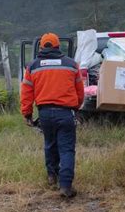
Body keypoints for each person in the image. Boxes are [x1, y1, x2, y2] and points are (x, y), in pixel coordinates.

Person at [21, 32, 84, 198]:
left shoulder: (33, 66)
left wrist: (27, 113)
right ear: (58, 46)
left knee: (50, 144)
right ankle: (65, 186)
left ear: (41, 47)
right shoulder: (71, 65)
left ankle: (51, 176)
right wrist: (76, 109)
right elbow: (80, 91)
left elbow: (26, 92)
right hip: (65, 113)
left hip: (45, 114)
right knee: (67, 149)